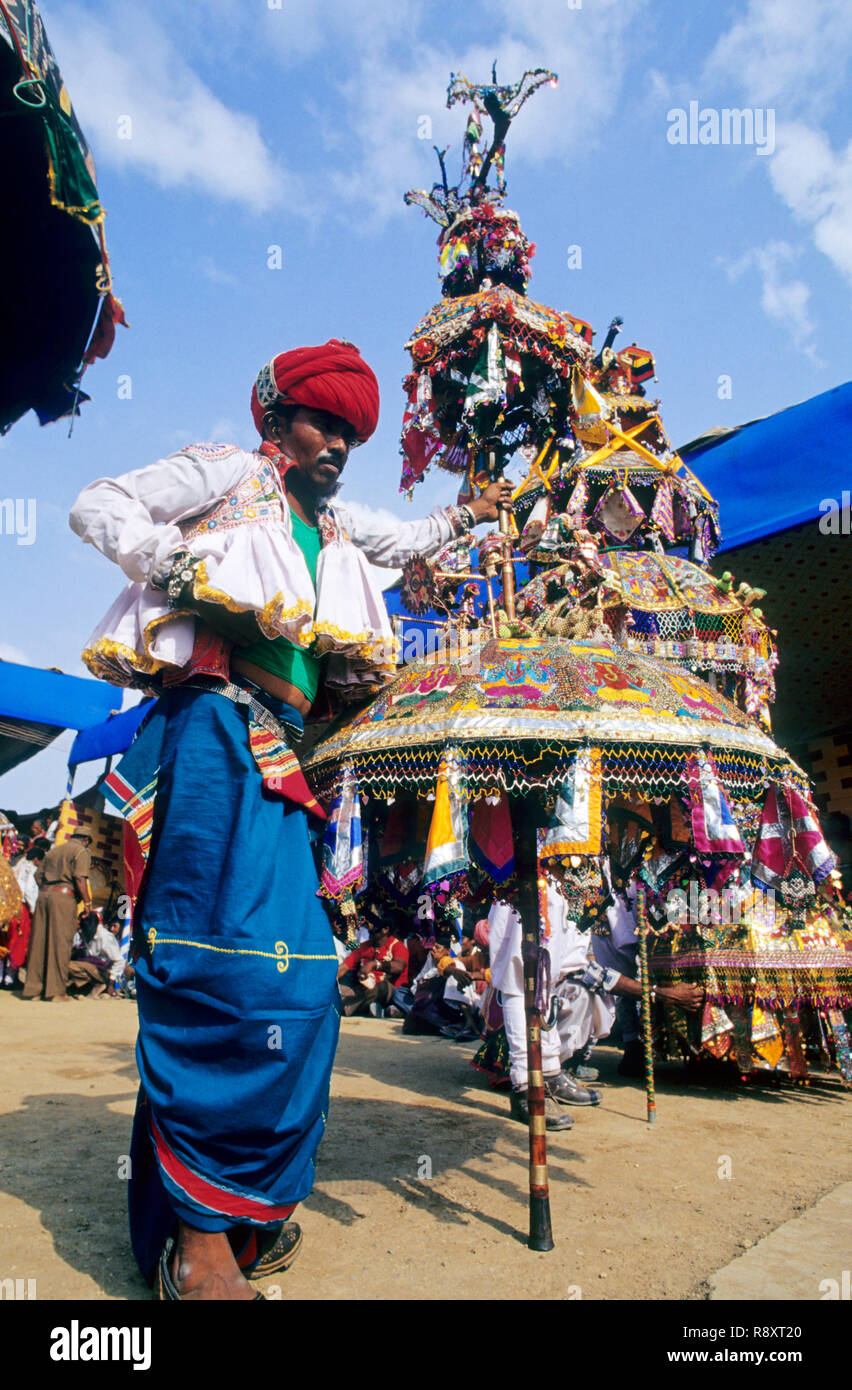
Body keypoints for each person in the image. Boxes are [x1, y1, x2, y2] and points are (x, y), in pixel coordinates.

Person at [69, 340, 512, 1300]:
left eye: (352, 431)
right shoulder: (229, 474)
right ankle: (197, 1243)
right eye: (323, 423)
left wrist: (467, 515)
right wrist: (180, 571)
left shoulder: (336, 521)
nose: (339, 444)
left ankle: (247, 1207)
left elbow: (403, 544)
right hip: (215, 739)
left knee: (306, 988)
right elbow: (96, 502)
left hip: (287, 764)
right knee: (215, 970)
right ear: (279, 420)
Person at [21, 829, 92, 1001]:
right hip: (64, 898)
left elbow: (38, 875)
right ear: (86, 840)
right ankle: (56, 992)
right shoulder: (81, 851)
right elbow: (80, 878)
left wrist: (47, 890)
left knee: (39, 942)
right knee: (60, 942)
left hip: (44, 896)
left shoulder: (53, 850)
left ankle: (33, 989)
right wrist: (87, 902)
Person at [337, 918, 409, 1017]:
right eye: (368, 927)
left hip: (388, 990)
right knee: (339, 987)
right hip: (362, 990)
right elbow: (343, 968)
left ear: (385, 929)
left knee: (377, 988)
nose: (369, 930)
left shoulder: (397, 946)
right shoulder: (363, 947)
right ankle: (371, 1007)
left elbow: (399, 966)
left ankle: (343, 1007)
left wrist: (374, 964)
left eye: (373, 927)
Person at [68, 910, 125, 997]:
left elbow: (119, 961)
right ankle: (91, 987)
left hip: (102, 970)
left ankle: (101, 984)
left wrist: (111, 982)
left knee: (71, 966)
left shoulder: (104, 937)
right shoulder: (86, 933)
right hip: (89, 966)